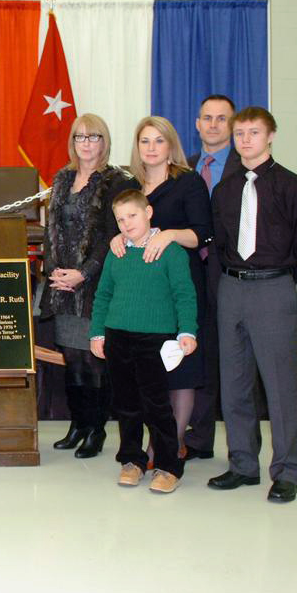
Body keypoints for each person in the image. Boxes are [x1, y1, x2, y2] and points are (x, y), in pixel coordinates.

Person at [208, 107, 297, 503]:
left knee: (280, 385)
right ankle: (242, 464)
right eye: (240, 133)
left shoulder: (294, 187)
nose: (246, 140)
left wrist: (279, 280)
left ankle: (287, 470)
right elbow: (220, 243)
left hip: (274, 288)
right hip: (232, 288)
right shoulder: (224, 190)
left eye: (254, 132)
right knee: (234, 383)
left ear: (270, 136)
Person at [111, 116, 212, 463]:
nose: (151, 148)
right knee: (147, 374)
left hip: (177, 288)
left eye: (158, 141)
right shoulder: (129, 185)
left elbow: (203, 234)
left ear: (171, 146)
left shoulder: (189, 183)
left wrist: (167, 234)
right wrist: (117, 237)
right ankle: (151, 442)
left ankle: (169, 445)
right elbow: (122, 224)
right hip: (140, 298)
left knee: (179, 370)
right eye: (144, 141)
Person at [90, 189, 198, 494]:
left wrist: (187, 331)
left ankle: (167, 465)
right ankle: (132, 460)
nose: (126, 224)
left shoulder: (171, 251)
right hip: (117, 337)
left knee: (156, 406)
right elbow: (103, 295)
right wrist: (98, 332)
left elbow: (184, 295)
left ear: (148, 212)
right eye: (120, 219)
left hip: (154, 338)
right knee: (125, 405)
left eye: (132, 216)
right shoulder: (117, 252)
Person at [39, 113, 131, 459]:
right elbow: (52, 232)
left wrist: (84, 272)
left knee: (94, 360)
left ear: (104, 142)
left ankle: (96, 429)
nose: (87, 143)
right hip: (63, 283)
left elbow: (113, 236)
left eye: (94, 137)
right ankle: (77, 424)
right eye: (80, 137)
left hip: (95, 283)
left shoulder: (116, 182)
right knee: (72, 356)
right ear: (72, 142)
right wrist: (56, 272)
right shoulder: (62, 178)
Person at [183, 94, 243, 460]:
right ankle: (198, 438)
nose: (214, 125)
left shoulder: (246, 167)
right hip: (190, 276)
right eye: (208, 117)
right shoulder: (184, 167)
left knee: (233, 361)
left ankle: (242, 452)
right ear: (197, 123)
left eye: (222, 119)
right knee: (196, 356)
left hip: (231, 277)